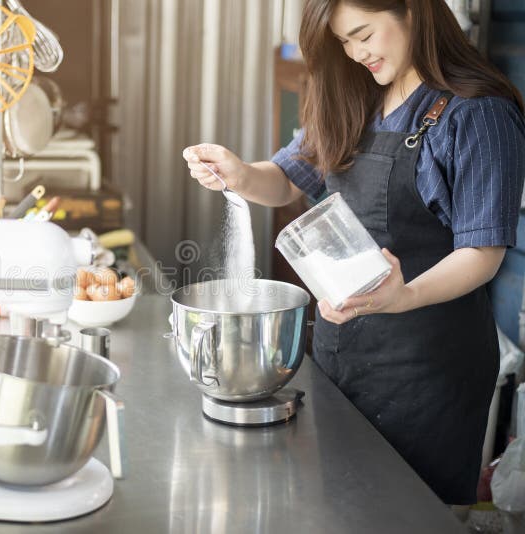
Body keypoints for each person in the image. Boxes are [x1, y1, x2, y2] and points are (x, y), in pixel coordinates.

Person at [183, 0, 525, 506]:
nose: (356, 52)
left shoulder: (479, 113)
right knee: (338, 506)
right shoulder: (359, 98)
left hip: (427, 373)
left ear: (413, 11)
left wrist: (404, 295)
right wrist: (240, 175)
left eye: (364, 34)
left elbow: (482, 251)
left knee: (405, 513)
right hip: (342, 356)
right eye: (344, 42)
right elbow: (286, 180)